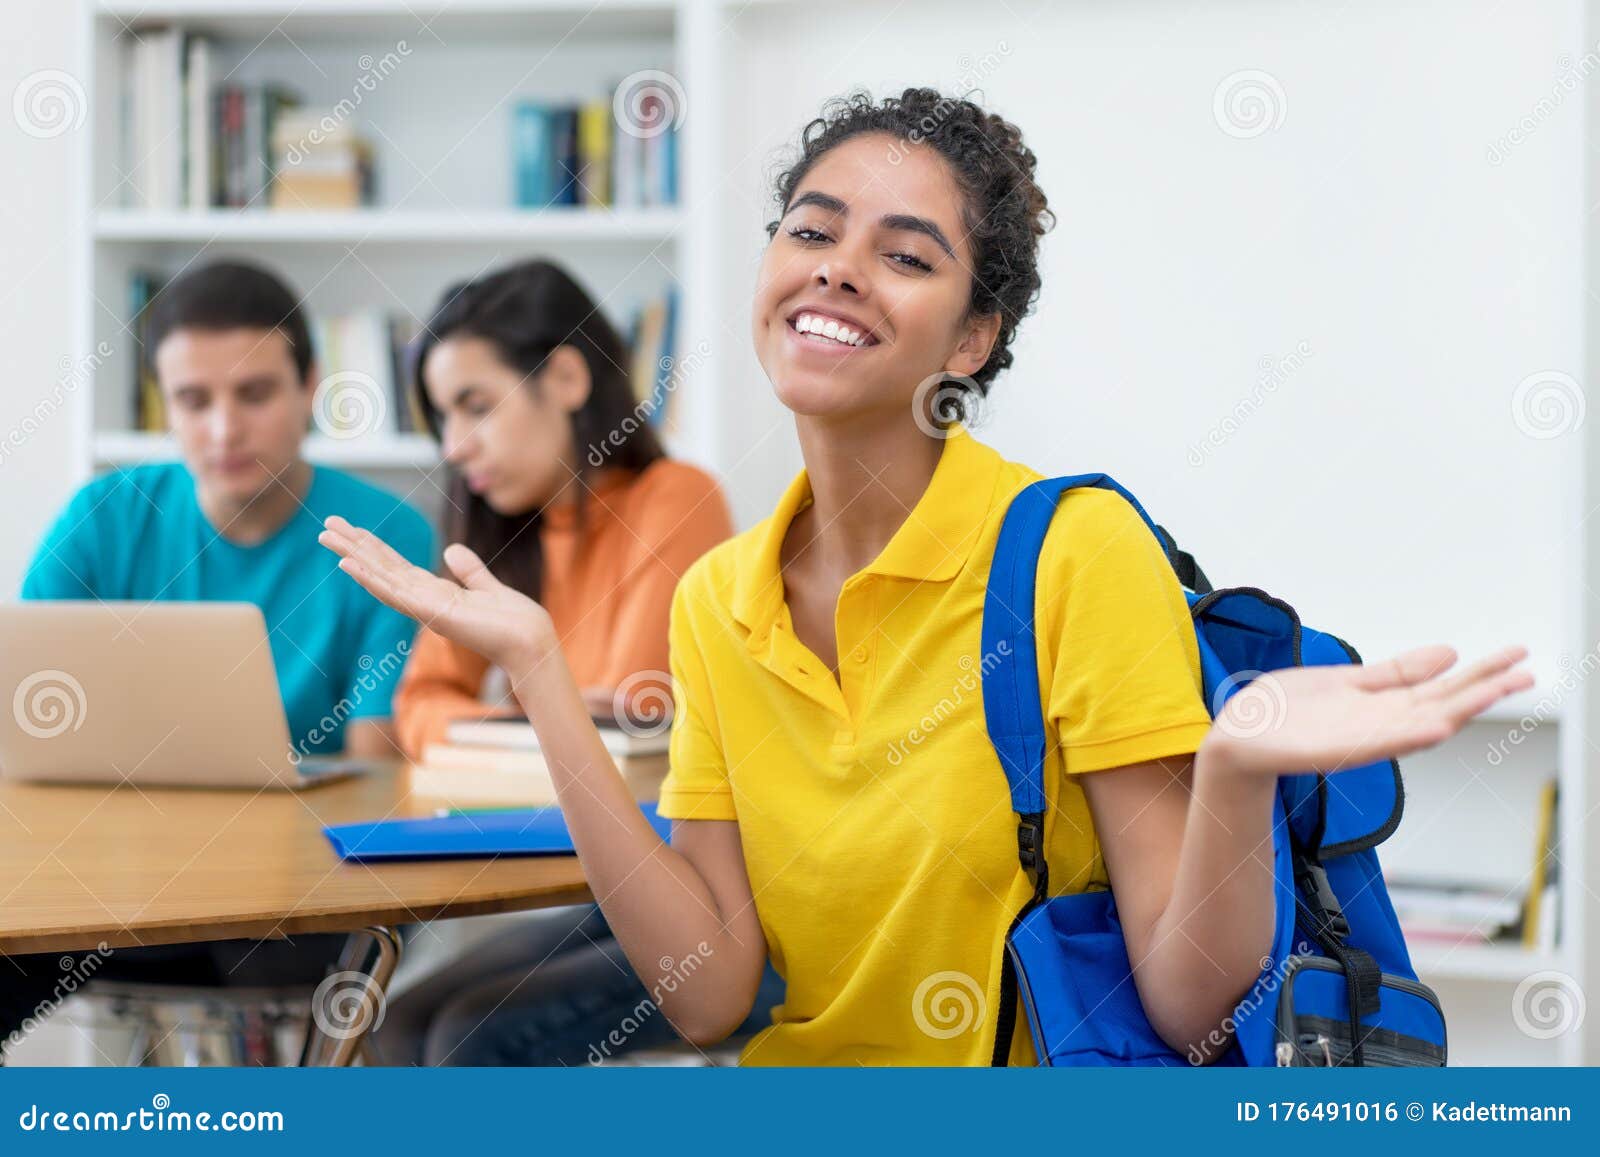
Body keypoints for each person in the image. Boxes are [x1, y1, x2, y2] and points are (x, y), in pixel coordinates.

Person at [320, 88, 1534, 1066]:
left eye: (903, 254)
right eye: (810, 228)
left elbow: (1190, 1012)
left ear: (969, 338)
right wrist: (535, 668)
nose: (837, 268)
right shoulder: (717, 599)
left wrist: (1230, 768)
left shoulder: (1072, 551)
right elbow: (708, 993)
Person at [1, 259, 434, 1058]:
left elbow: (383, 776)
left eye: (255, 393)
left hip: (298, 906)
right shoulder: (101, 518)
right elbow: (20, 732)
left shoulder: (388, 539)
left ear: (310, 385)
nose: (224, 430)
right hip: (105, 893)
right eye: (194, 400)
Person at [366, 260, 777, 1066]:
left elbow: (624, 712)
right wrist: (525, 720)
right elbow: (418, 707)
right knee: (399, 1018)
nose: (455, 446)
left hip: (723, 902)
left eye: (475, 406)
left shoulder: (674, 497)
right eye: (442, 419)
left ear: (564, 375)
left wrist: (504, 723)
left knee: (468, 1036)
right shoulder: (496, 534)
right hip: (608, 885)